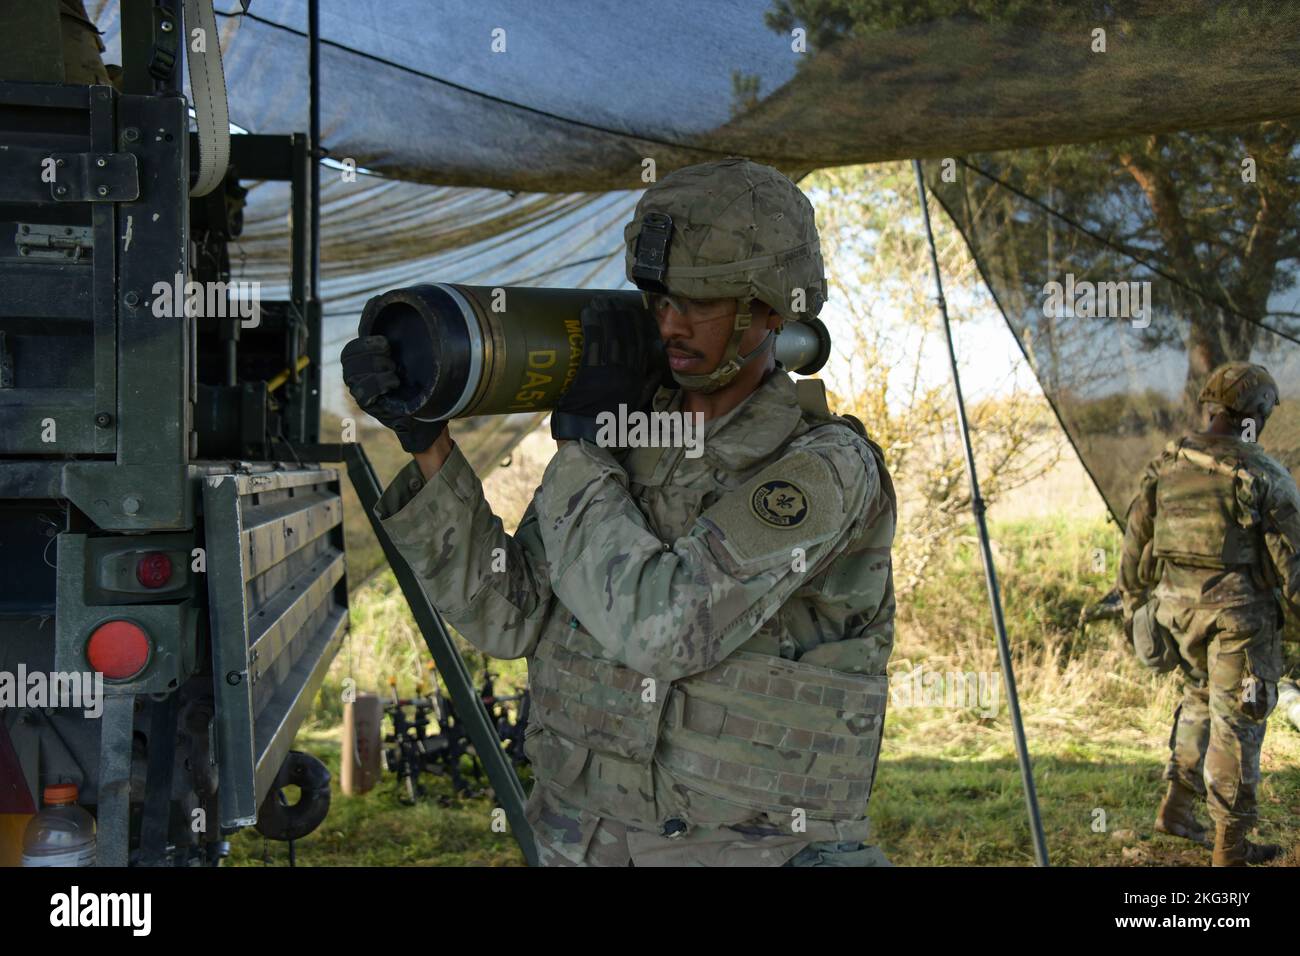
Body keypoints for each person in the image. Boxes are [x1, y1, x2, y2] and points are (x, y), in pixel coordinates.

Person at [344, 157, 897, 866]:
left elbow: (664, 631)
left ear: (769, 309)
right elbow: (508, 618)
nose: (670, 323)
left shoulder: (823, 468)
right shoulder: (631, 439)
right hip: (581, 838)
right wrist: (429, 449)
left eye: (699, 301)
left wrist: (579, 448)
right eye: (659, 300)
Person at [1119, 361, 1299, 866]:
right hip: (1238, 624)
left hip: (1177, 615)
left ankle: (1176, 808)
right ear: (1257, 414)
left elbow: (1135, 546)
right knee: (1239, 724)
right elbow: (1294, 564)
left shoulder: (1169, 462)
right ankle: (1231, 850)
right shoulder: (1262, 474)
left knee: (1199, 699)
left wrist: (1136, 608)